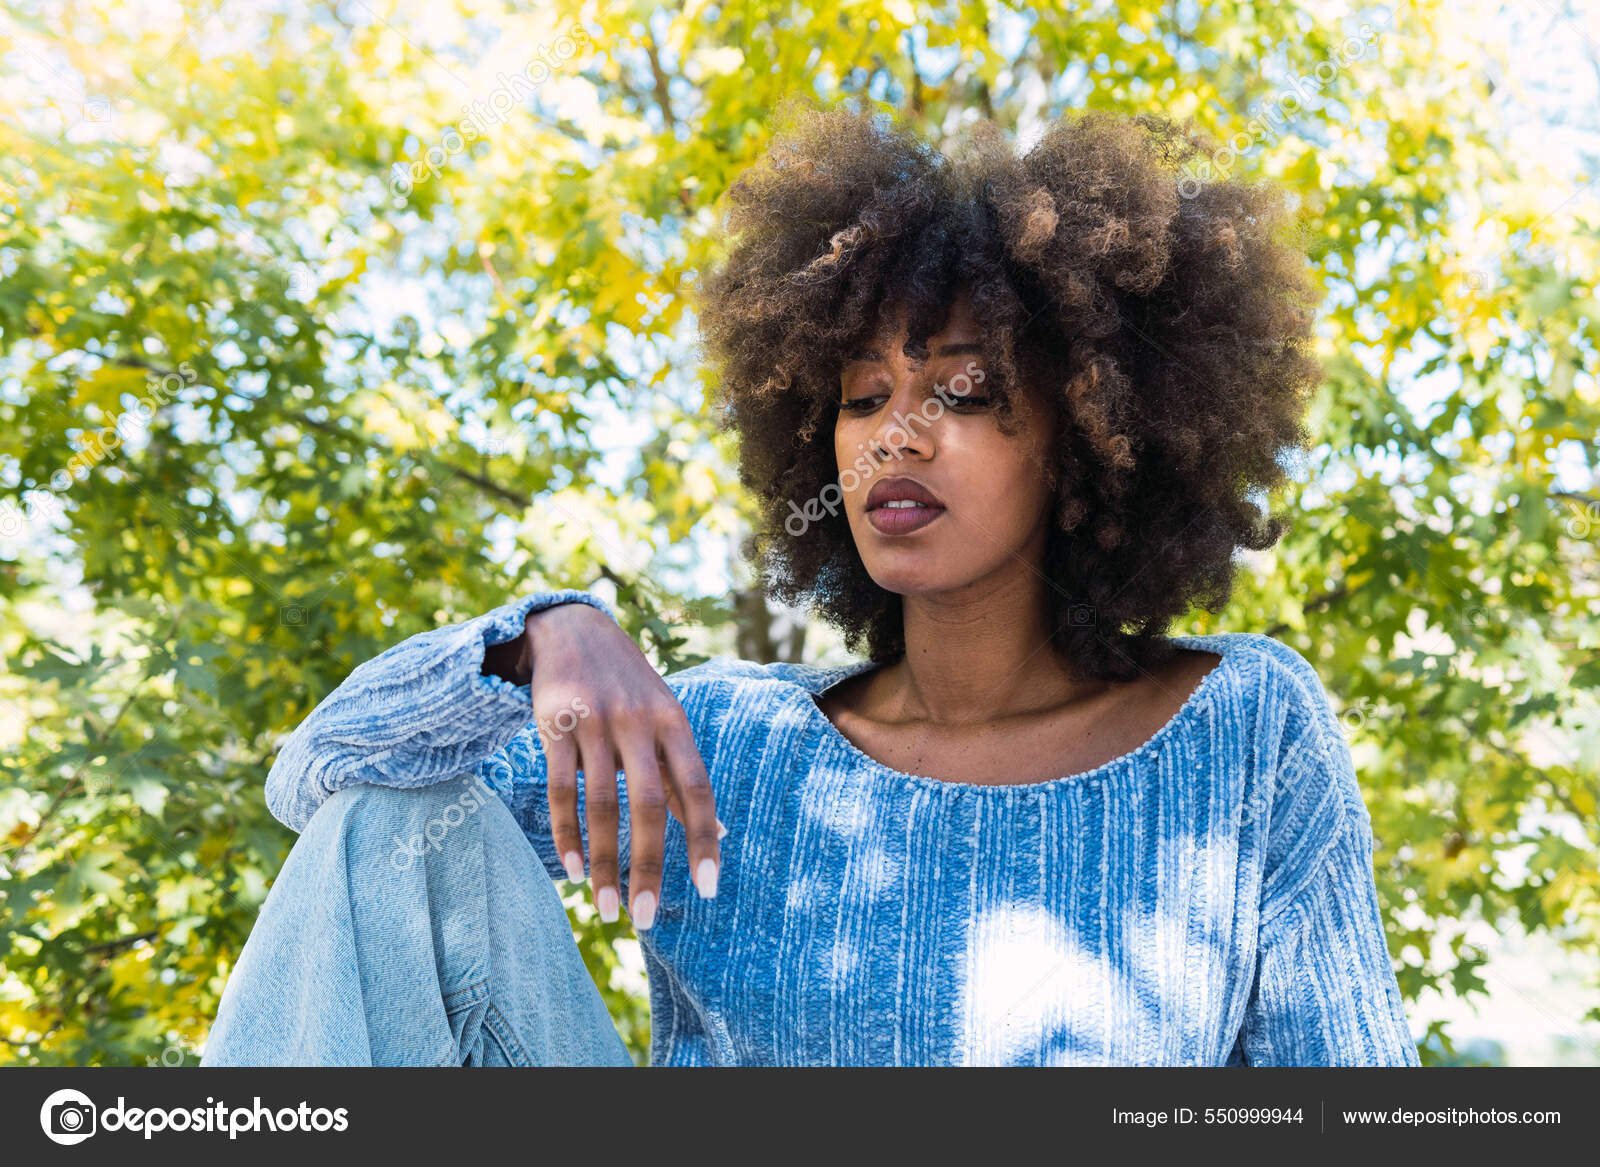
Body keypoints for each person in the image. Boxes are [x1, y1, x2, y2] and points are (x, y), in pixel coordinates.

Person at [202, 97, 1421, 1067]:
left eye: (962, 391)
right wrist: (538, 638)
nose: (895, 437)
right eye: (860, 399)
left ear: (1095, 432)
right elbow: (324, 784)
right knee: (403, 822)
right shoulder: (728, 741)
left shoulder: (1242, 728)